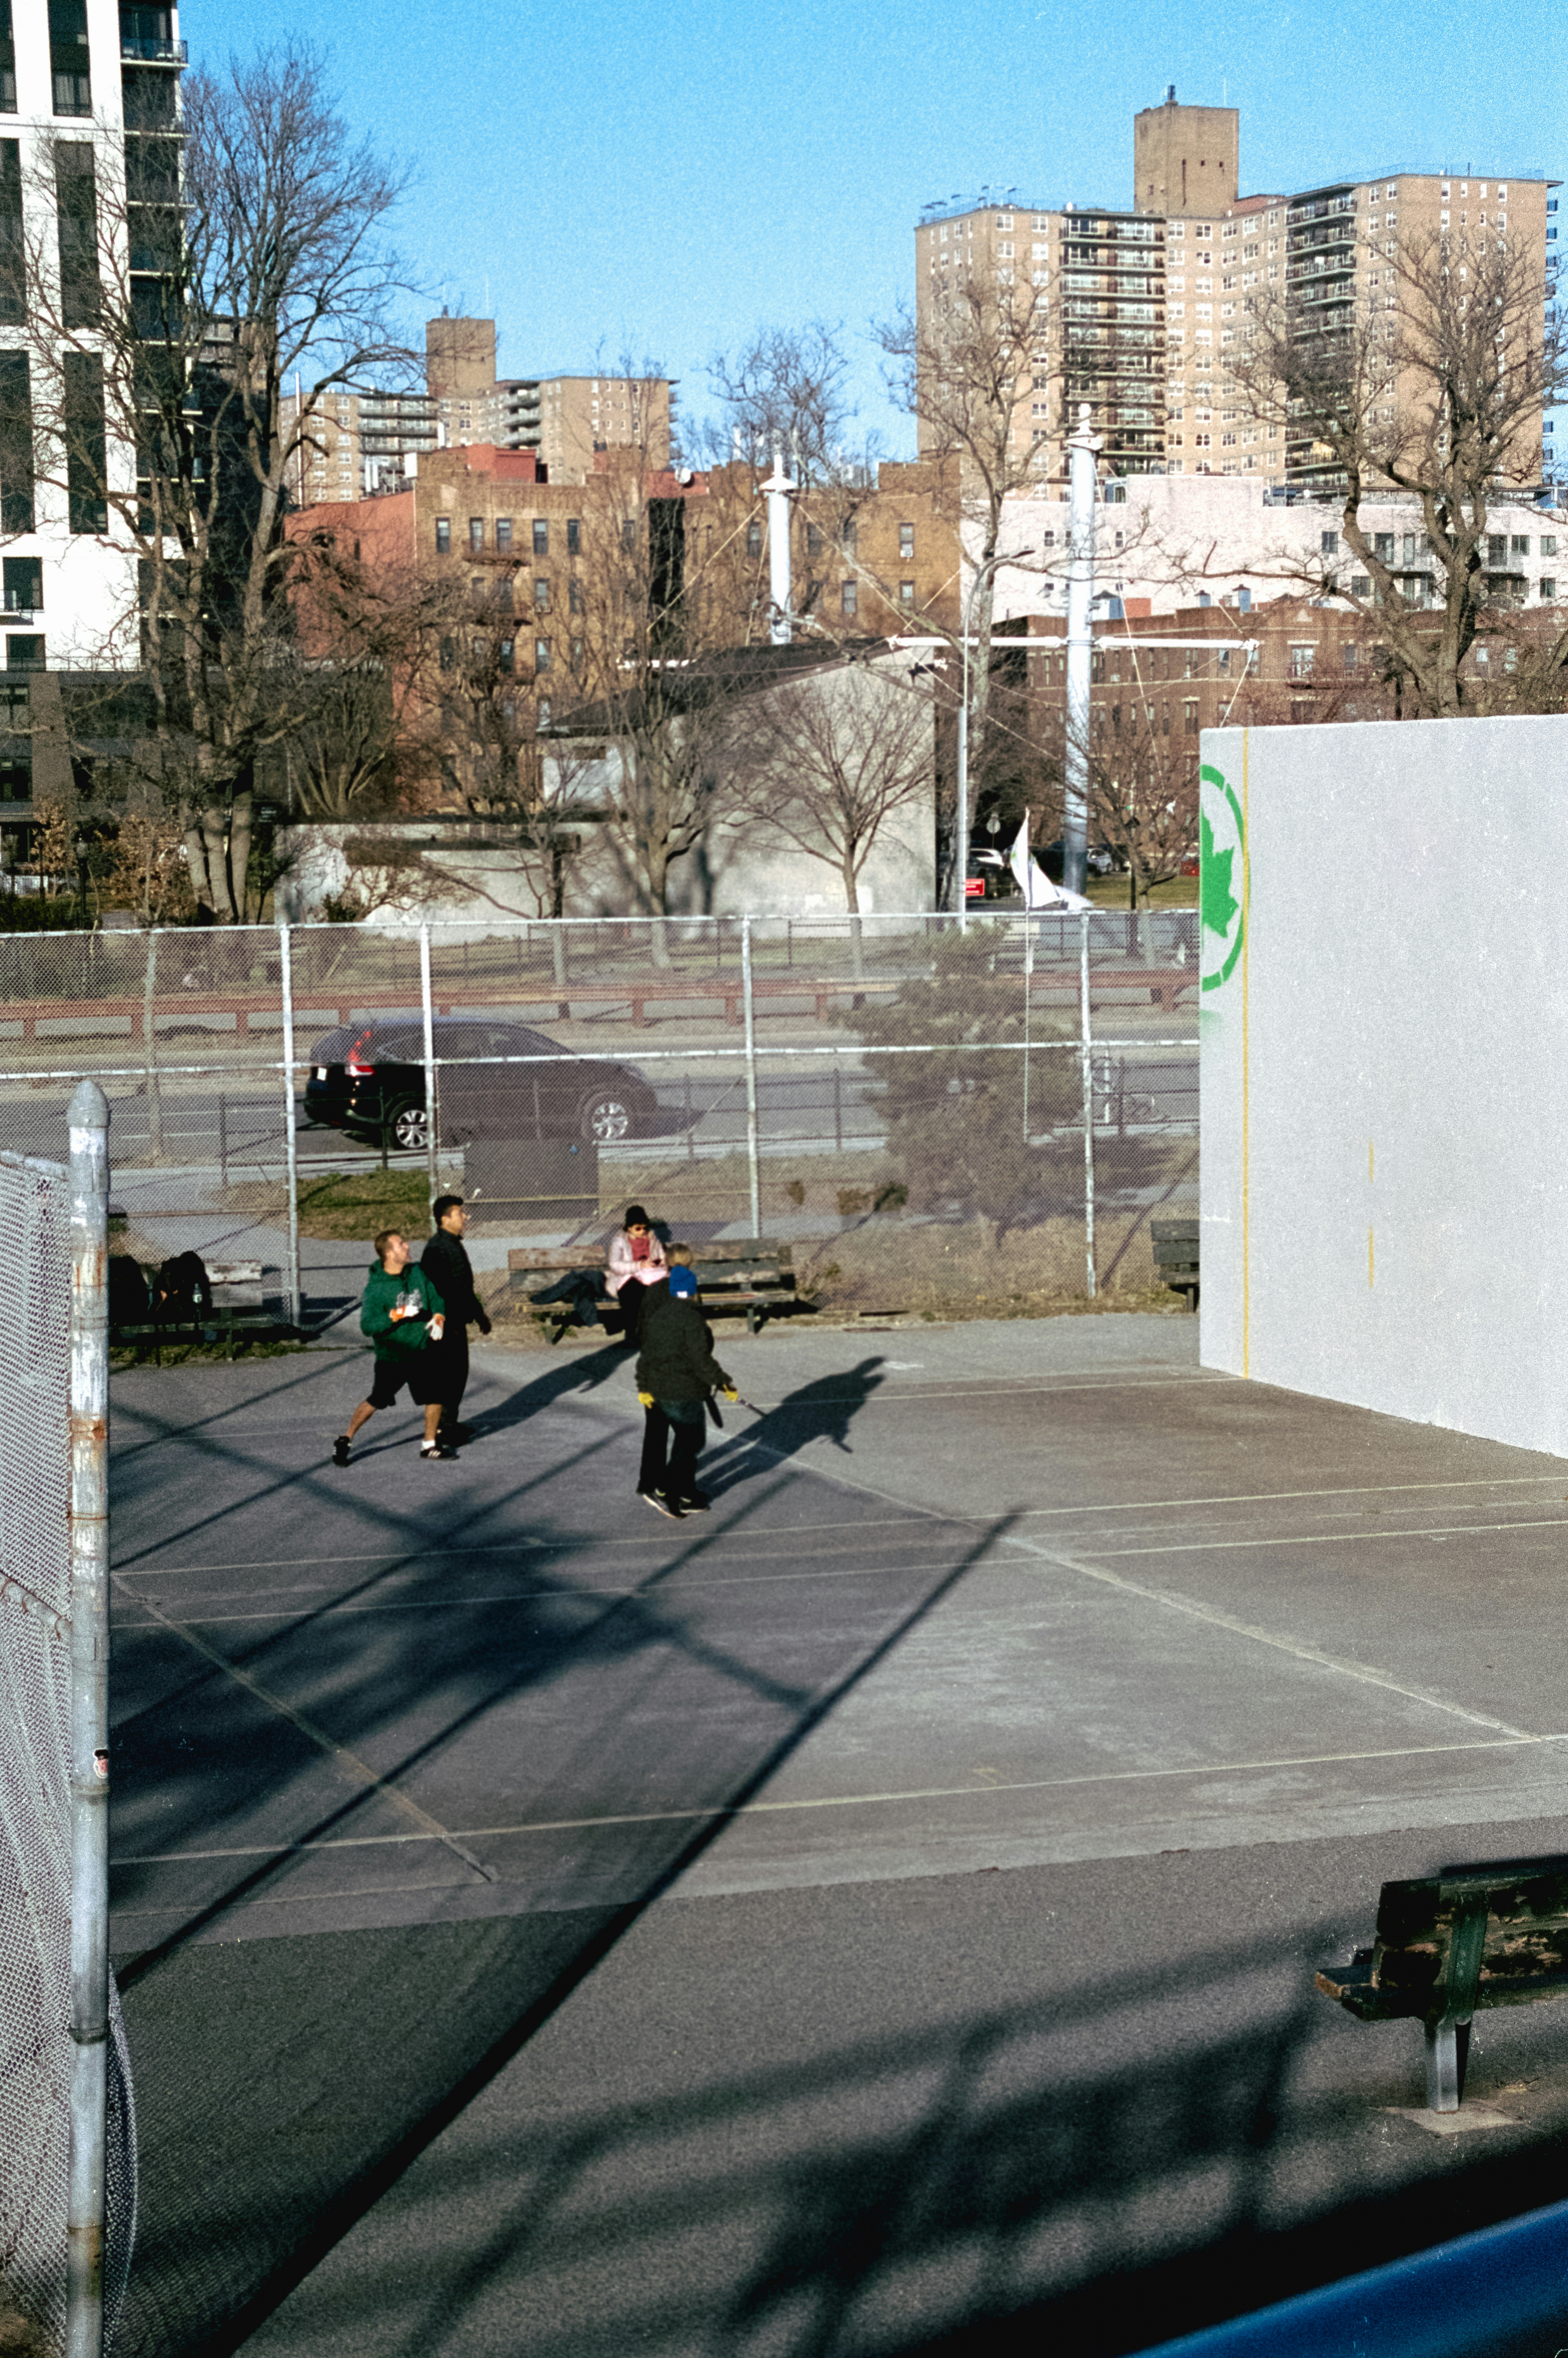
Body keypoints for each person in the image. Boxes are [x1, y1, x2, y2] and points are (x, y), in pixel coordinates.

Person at [332, 1229, 453, 1465]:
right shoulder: (376, 1289)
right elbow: (368, 1326)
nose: (408, 1246)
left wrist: (439, 1316)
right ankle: (346, 1439)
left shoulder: (417, 1272)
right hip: (393, 1356)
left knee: (436, 1395)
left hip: (422, 1349)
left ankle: (429, 1445)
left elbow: (437, 1298)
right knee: (378, 1399)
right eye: (401, 1244)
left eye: (406, 1242)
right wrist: (396, 1314)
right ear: (388, 1253)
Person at [635, 1264, 736, 1519]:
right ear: (692, 1292)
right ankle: (665, 1488)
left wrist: (644, 1387)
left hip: (658, 1390)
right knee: (691, 1442)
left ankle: (687, 1493)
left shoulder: (658, 1316)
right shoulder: (692, 1319)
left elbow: (646, 1355)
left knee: (683, 1444)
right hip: (683, 1391)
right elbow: (700, 1360)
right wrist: (723, 1382)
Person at [421, 1194, 492, 1446]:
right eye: (460, 1213)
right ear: (445, 1218)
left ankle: (450, 1423)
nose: (466, 1217)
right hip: (446, 1325)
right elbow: (441, 1291)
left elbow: (464, 1287)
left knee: (458, 1374)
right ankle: (441, 1428)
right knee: (448, 1376)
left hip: (456, 1323)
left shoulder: (452, 1244)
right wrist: (446, 1323)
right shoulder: (438, 1249)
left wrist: (478, 1314)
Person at [606, 1201, 669, 1343]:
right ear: (629, 1228)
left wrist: (660, 1262)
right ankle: (633, 1331)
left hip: (650, 1277)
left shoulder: (653, 1239)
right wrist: (639, 1265)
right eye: (638, 1229)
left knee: (660, 1291)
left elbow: (662, 1257)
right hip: (627, 1279)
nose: (643, 1232)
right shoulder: (620, 1241)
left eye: (645, 1228)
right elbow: (615, 1265)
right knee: (634, 1292)